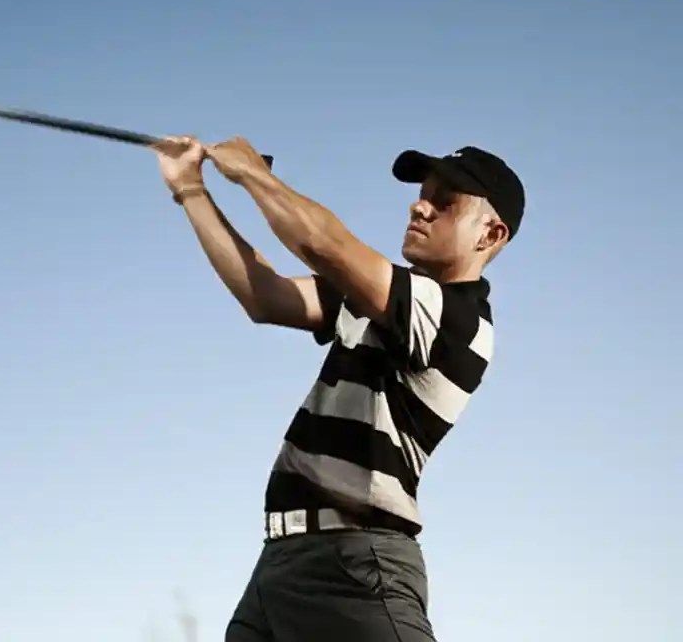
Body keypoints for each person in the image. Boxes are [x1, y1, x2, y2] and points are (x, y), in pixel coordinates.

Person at [152, 136, 525, 641]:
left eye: (445, 202)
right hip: (277, 569)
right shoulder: (379, 300)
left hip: (357, 568)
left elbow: (327, 248)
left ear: (490, 233)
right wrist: (191, 189)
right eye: (423, 193)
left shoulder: (456, 319)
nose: (420, 205)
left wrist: (257, 178)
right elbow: (266, 296)